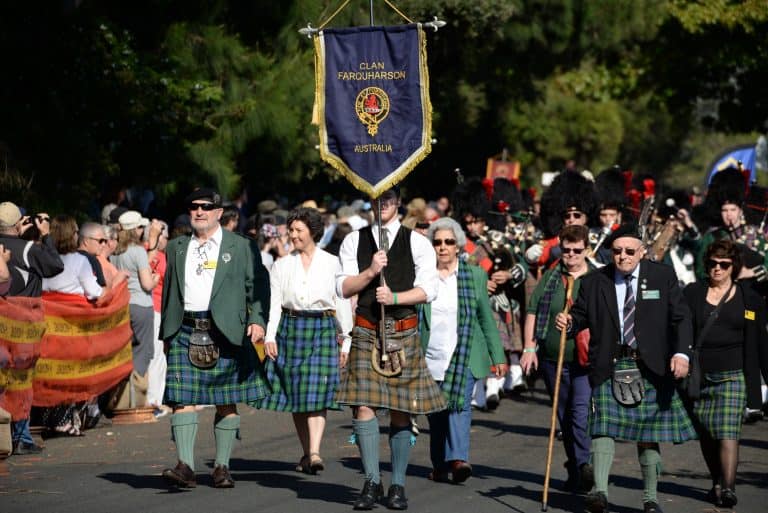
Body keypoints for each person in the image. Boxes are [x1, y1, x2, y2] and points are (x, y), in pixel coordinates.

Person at [555, 224, 697, 513]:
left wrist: (682, 354)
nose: (623, 257)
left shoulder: (661, 276)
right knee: (602, 429)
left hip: (651, 367)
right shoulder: (596, 281)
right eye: (617, 251)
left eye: (630, 251)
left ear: (642, 252)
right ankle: (600, 493)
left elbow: (681, 318)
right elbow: (580, 315)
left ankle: (650, 498)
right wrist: (569, 323)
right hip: (610, 363)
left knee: (648, 435)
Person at [335, 186, 445, 511]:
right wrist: (370, 272)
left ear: (398, 203)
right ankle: (371, 480)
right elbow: (341, 287)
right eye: (377, 199)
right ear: (370, 202)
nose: (382, 205)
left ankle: (396, 483)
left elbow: (429, 289)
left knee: (401, 409)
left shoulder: (418, 242)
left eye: (389, 199)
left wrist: (395, 298)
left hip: (403, 332)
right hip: (367, 331)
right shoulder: (354, 240)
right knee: (363, 407)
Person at [160, 187, 269, 489]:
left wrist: (258, 321)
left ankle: (222, 466)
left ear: (219, 213)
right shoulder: (176, 247)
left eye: (206, 207)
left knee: (226, 401)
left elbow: (258, 286)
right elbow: (170, 292)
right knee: (181, 399)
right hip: (185, 328)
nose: (198, 211)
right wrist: (166, 332)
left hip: (225, 330)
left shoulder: (241, 246)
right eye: (194, 206)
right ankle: (185, 467)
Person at [259, 207, 353, 474]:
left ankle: (314, 452)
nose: (293, 235)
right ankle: (307, 452)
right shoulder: (281, 264)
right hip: (290, 329)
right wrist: (270, 336)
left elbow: (342, 303)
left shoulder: (333, 263)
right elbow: (274, 304)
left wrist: (345, 340)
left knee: (317, 393)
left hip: (322, 327)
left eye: (298, 230)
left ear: (313, 231)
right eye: (290, 230)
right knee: (297, 395)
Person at [418, 217, 506, 484]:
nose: (443, 247)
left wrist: (497, 355)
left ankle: (458, 460)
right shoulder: (422, 275)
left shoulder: (475, 275)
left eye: (448, 242)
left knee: (459, 407)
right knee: (436, 415)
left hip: (464, 352)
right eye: (437, 242)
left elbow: (485, 318)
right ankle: (440, 464)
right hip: (430, 355)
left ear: (458, 246)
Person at [682, 240, 767, 508]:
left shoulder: (749, 298)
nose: (717, 269)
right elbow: (680, 329)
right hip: (699, 375)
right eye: (712, 263)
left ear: (733, 267)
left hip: (734, 375)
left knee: (729, 430)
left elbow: (760, 343)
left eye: (724, 264)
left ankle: (728, 488)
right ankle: (717, 480)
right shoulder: (693, 293)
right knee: (706, 433)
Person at [521, 225, 595, 493]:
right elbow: (532, 310)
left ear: (587, 249)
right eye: (566, 250)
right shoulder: (552, 277)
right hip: (554, 359)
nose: (572, 255)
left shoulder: (597, 279)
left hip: (585, 362)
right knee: (564, 417)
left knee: (580, 413)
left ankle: (585, 464)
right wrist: (529, 348)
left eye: (577, 250)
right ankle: (577, 469)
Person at [0, 201, 63, 455]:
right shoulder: (28, 249)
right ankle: (21, 436)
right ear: (18, 224)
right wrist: (45, 235)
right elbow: (55, 266)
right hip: (23, 327)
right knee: (22, 379)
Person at [111, 210, 159, 407]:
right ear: (134, 230)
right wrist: (155, 279)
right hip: (141, 305)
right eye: (140, 227)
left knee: (126, 351)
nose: (142, 230)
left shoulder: (115, 252)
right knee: (144, 351)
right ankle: (136, 400)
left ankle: (123, 398)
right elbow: (147, 284)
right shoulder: (137, 251)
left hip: (123, 305)